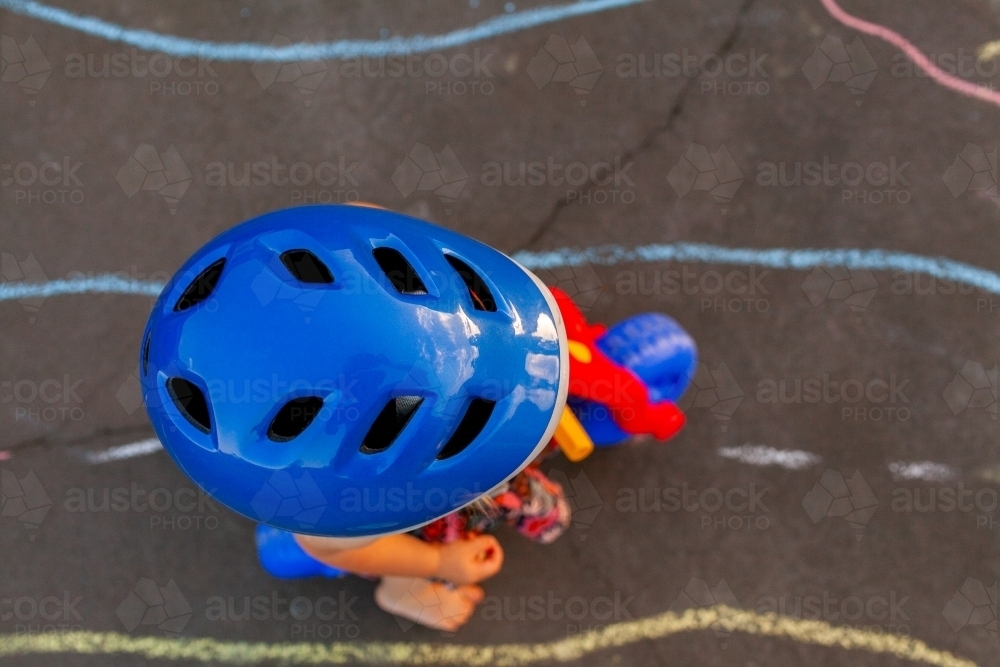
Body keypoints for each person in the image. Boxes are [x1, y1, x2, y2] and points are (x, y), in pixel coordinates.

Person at [141, 204, 695, 631]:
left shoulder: (353, 243)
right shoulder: (342, 512)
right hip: (400, 505)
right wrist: (446, 564)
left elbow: (367, 229)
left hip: (392, 468)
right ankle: (400, 592)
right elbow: (355, 544)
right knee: (542, 518)